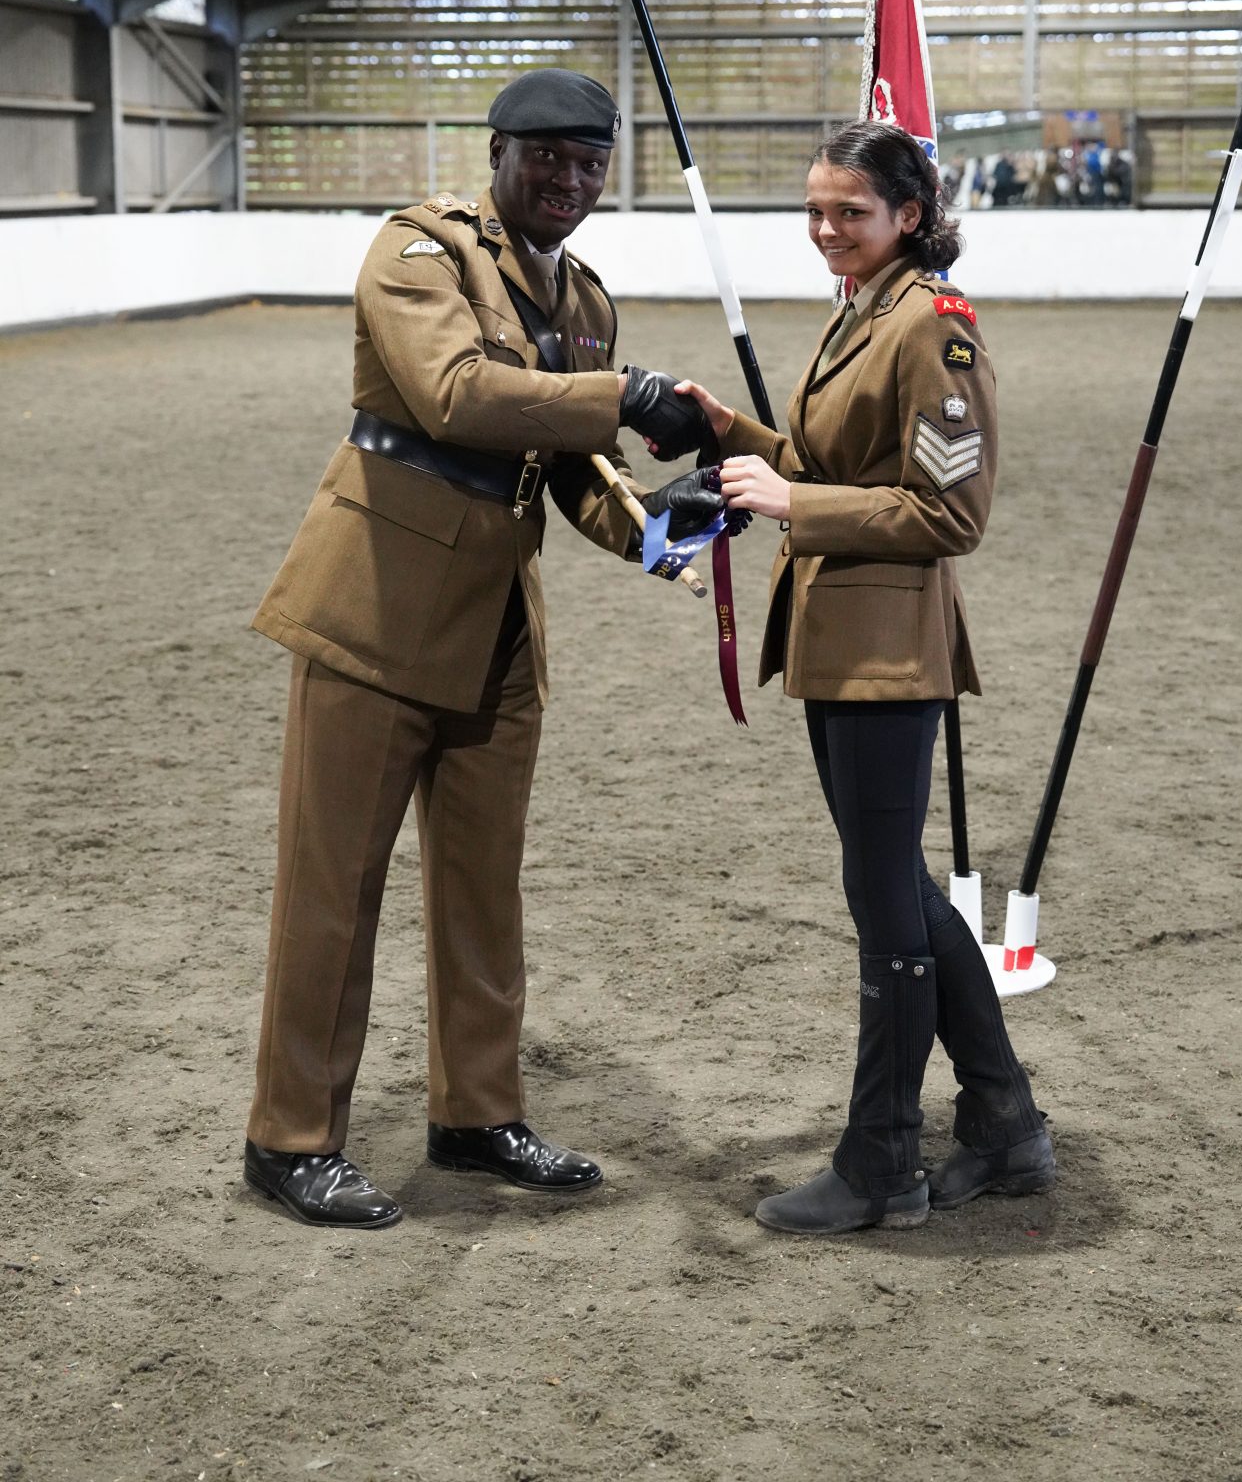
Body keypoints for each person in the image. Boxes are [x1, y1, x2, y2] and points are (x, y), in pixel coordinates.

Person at [243, 67, 711, 1229]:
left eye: (589, 161)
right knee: (330, 894)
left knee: (480, 891)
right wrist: (623, 393)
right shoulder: (420, 252)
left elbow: (570, 467)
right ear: (497, 154)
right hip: (373, 616)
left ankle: (477, 1112)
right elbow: (456, 398)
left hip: (497, 630)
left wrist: (659, 526)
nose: (567, 178)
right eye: (545, 155)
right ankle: (289, 1135)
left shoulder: (586, 298)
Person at [679, 121, 1054, 1237]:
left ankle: (884, 1156)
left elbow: (951, 513)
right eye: (815, 208)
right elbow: (828, 465)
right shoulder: (864, 310)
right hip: (841, 641)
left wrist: (797, 504)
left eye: (850, 210)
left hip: (893, 651)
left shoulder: (934, 328)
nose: (826, 228)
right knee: (895, 886)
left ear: (907, 212)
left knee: (883, 893)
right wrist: (727, 431)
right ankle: (1002, 1120)